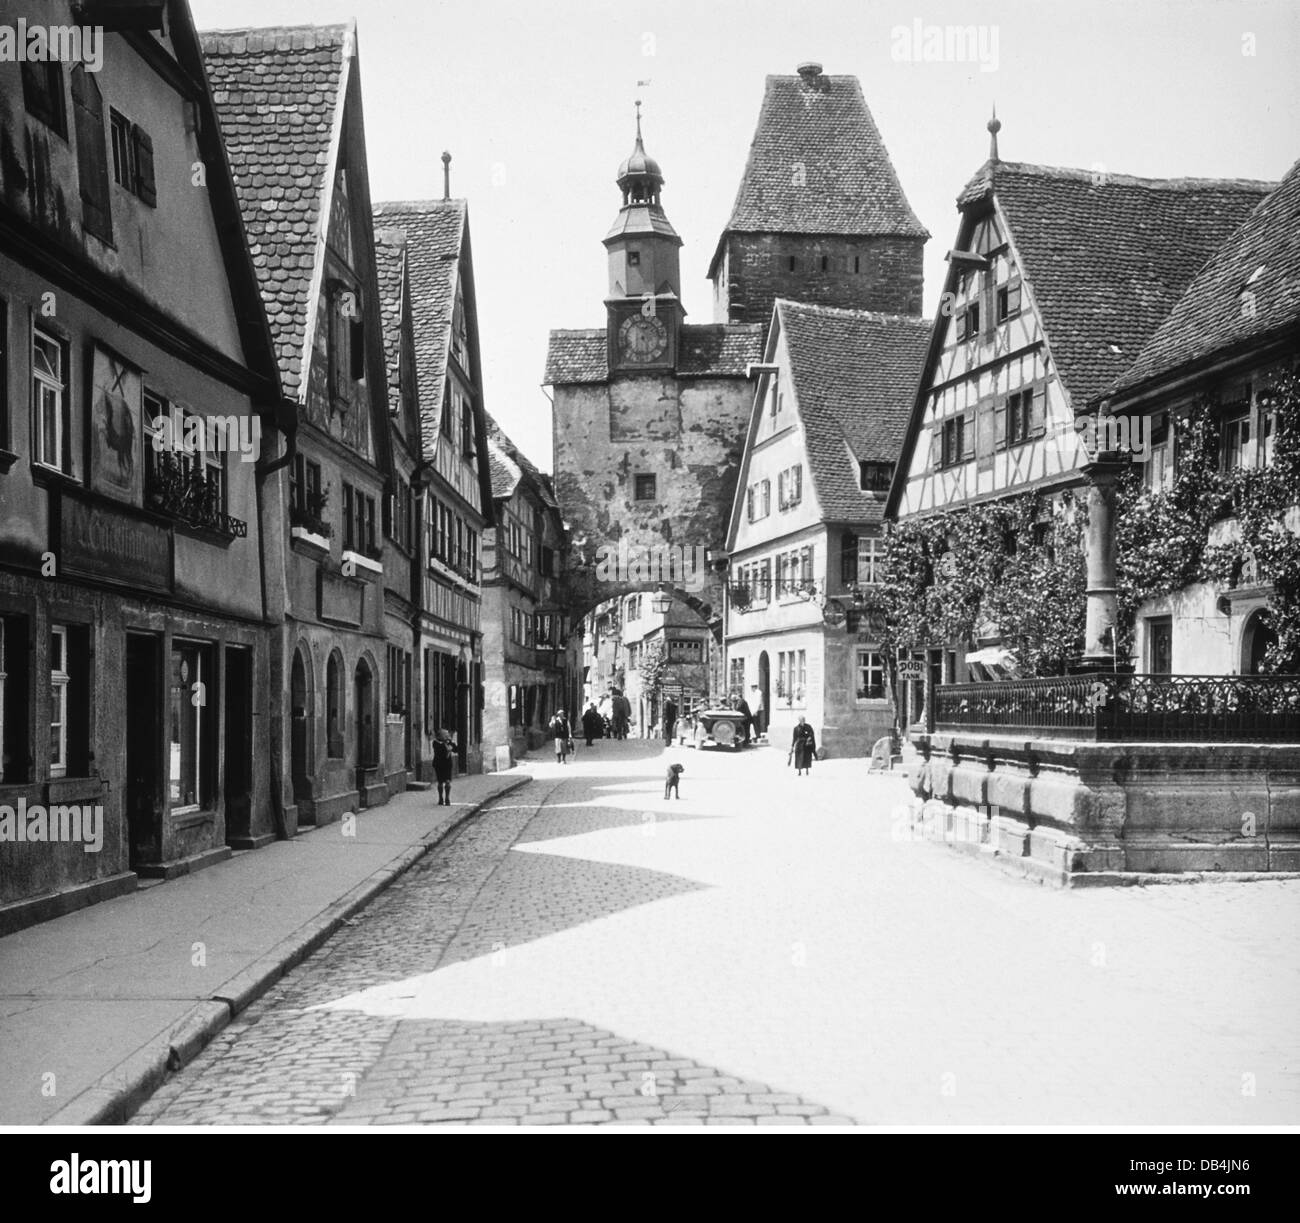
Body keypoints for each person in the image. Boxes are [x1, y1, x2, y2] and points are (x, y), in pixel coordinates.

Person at [432, 729, 456, 806]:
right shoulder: (436, 743)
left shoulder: (449, 742)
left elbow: (455, 749)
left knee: (448, 781)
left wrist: (450, 744)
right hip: (439, 764)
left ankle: (447, 798)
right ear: (440, 736)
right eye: (445, 734)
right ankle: (440, 798)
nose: (447, 736)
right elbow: (440, 751)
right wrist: (447, 747)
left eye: (447, 734)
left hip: (447, 764)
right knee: (440, 781)